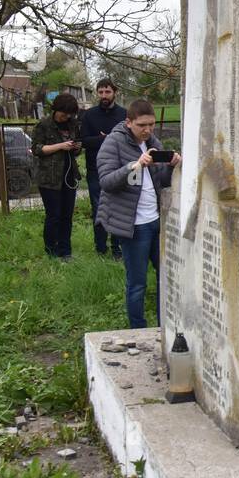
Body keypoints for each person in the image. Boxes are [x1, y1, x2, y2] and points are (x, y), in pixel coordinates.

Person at [96, 99, 180, 328]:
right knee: (137, 283)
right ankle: (138, 331)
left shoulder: (152, 142)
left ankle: (164, 328)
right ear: (128, 122)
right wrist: (135, 165)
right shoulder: (113, 142)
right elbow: (106, 182)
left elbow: (162, 181)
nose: (148, 130)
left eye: (151, 124)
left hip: (157, 221)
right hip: (133, 225)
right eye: (142, 125)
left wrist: (171, 165)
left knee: (166, 278)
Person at [30, 93, 82, 260]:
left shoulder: (73, 124)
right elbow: (37, 149)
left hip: (69, 175)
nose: (66, 117)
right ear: (56, 109)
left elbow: (77, 148)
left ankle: (66, 251)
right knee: (54, 216)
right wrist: (60, 146)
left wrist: (76, 147)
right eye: (64, 114)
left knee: (67, 216)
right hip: (49, 177)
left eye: (69, 114)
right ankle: (51, 251)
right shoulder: (44, 125)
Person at [80, 78, 127, 259]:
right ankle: (100, 248)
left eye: (107, 92)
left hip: (119, 168)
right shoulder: (89, 115)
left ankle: (117, 249)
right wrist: (105, 139)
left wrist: (109, 139)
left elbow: (129, 139)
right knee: (99, 208)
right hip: (96, 169)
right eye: (101, 92)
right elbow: (84, 141)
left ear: (114, 92)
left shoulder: (123, 114)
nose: (104, 95)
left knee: (117, 208)